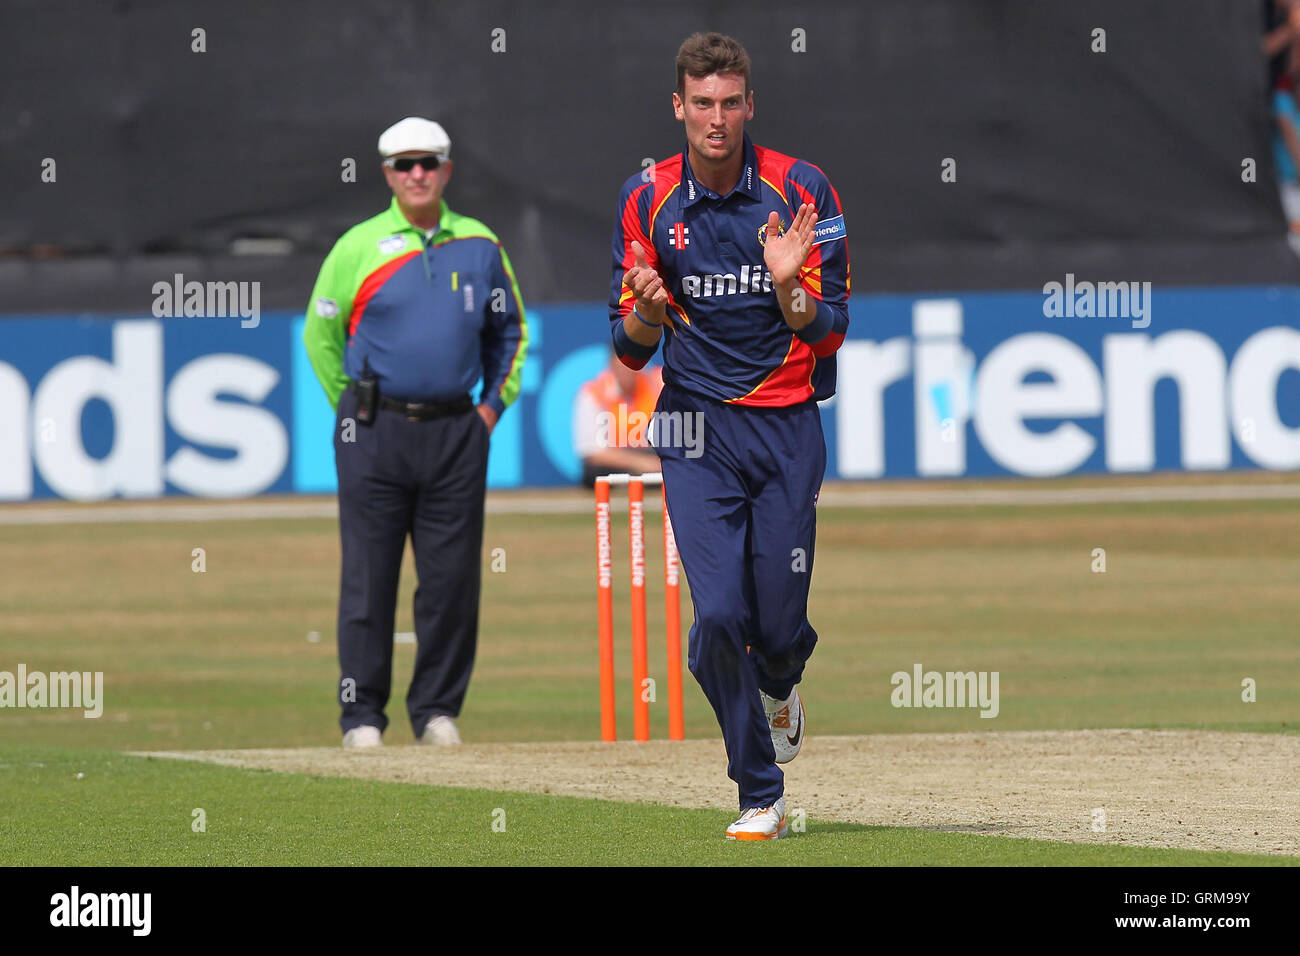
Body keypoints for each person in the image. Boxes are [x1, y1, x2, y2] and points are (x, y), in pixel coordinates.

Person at [608, 33, 849, 839]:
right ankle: (759, 790)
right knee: (716, 618)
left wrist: (790, 289)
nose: (717, 118)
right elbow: (630, 349)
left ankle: (782, 681)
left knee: (776, 628)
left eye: (730, 102)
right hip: (691, 424)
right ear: (678, 107)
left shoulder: (802, 189)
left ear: (750, 104)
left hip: (786, 424)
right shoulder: (646, 198)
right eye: (701, 103)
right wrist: (646, 306)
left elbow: (830, 335)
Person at [303, 116, 528, 748]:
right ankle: (362, 717)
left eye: (428, 162)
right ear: (388, 175)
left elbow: (509, 333)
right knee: (368, 578)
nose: (418, 174)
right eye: (404, 165)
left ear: (447, 169)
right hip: (374, 432)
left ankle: (435, 711)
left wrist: (488, 413)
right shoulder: (357, 246)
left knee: (451, 579)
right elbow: (320, 337)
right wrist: (353, 408)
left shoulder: (480, 245)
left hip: (457, 432)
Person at [571, 350, 664, 486]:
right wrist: (641, 463)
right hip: (617, 459)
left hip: (652, 453)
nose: (627, 371)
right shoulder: (593, 392)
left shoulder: (657, 382)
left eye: (632, 365)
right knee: (593, 473)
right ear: (611, 366)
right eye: (621, 365)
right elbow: (591, 452)